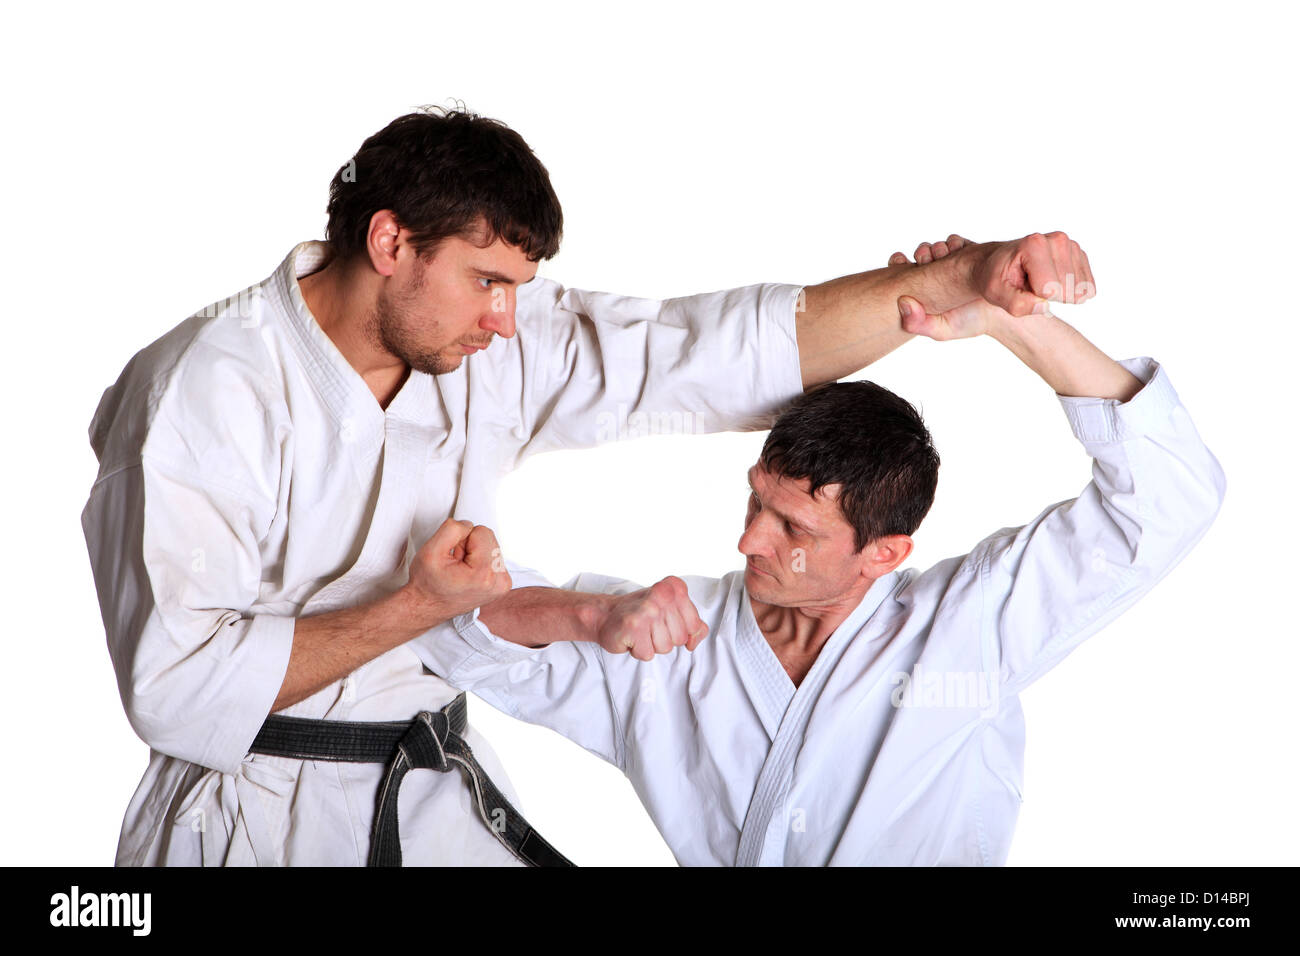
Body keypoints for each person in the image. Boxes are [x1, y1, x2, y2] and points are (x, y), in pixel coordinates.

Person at [80, 103, 1100, 866]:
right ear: (390, 242)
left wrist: (956, 283)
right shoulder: (202, 394)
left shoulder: (481, 342)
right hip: (253, 819)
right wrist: (414, 608)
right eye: (487, 283)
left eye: (518, 290)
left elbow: (702, 353)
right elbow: (176, 689)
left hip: (424, 786)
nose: (507, 322)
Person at [414, 238, 1227, 865]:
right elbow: (452, 633)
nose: (746, 540)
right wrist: (588, 614)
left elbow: (1170, 495)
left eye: (793, 529)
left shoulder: (969, 629)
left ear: (885, 553)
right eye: (755, 501)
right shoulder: (668, 633)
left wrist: (1019, 324)